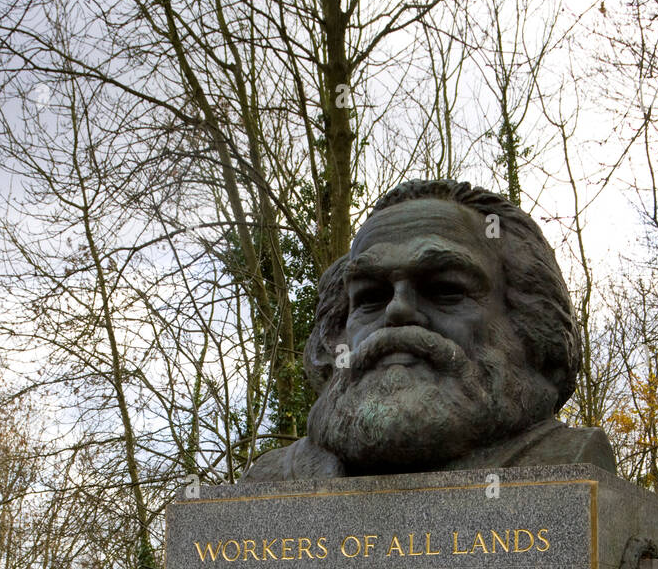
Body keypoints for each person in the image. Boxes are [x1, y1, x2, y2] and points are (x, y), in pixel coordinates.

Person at [240, 178, 615, 481]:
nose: (398, 309)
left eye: (446, 290)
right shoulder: (273, 480)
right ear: (337, 330)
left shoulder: (566, 464)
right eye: (370, 296)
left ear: (528, 324)